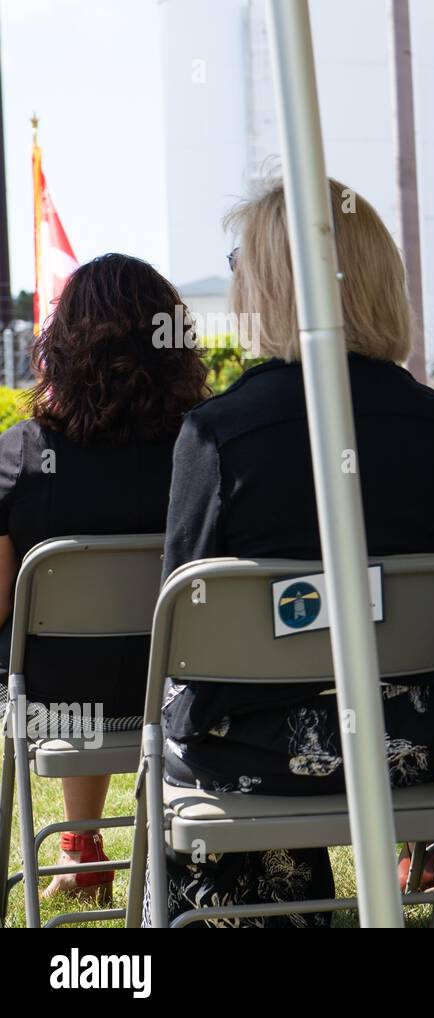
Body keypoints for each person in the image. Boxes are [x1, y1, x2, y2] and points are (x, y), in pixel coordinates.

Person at [154, 178, 434, 925]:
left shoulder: (216, 432)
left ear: (270, 282)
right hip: (405, 744)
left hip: (247, 755)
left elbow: (180, 625)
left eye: (241, 262)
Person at [0, 254, 208, 905]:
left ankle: (80, 846)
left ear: (60, 345)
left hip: (56, 701)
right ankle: (83, 848)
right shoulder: (206, 448)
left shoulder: (19, 455)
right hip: (181, 693)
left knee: (59, 651)